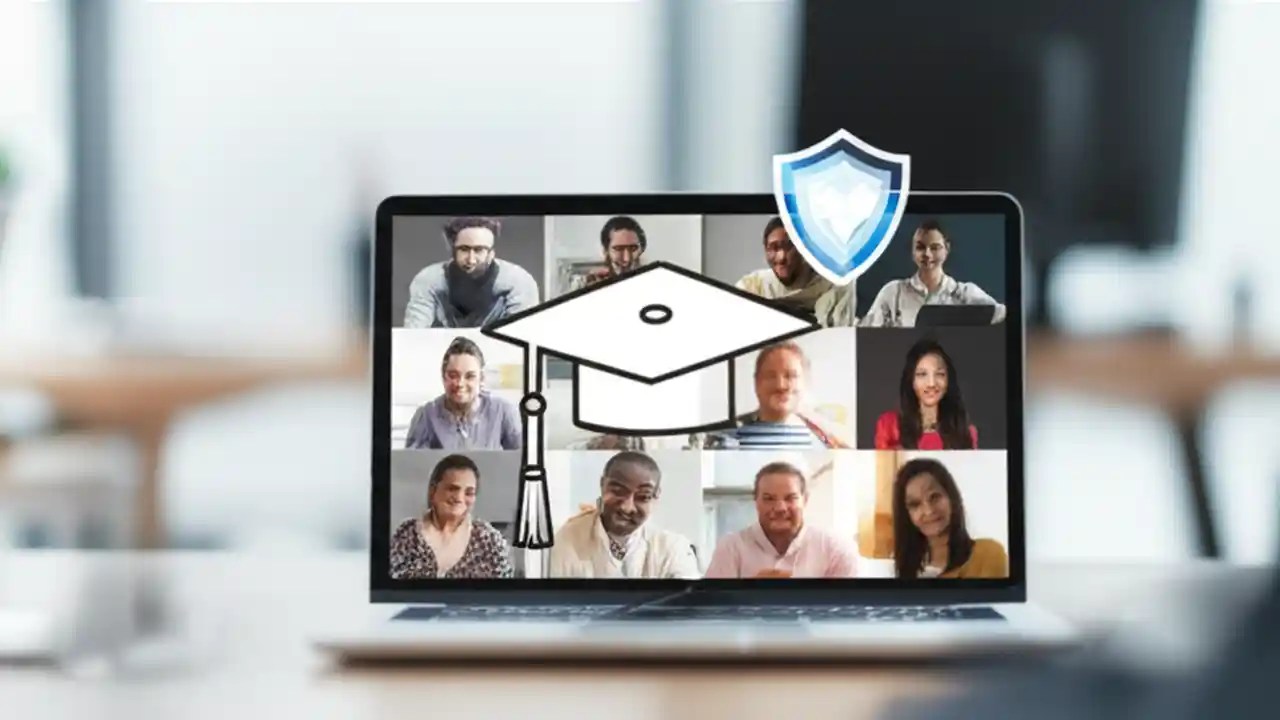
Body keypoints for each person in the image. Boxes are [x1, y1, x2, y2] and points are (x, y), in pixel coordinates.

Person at [548, 451, 700, 579]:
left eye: (643, 496)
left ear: (655, 496)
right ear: (602, 485)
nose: (627, 507)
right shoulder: (565, 539)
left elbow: (686, 607)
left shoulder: (672, 548)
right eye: (618, 492)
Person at [705, 461, 858, 579]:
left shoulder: (835, 548)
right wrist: (749, 591)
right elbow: (711, 608)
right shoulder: (730, 547)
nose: (779, 508)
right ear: (756, 501)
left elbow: (847, 610)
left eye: (790, 498)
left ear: (805, 500)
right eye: (769, 499)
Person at [695, 341, 853, 450]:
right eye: (770, 376)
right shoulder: (724, 438)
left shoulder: (828, 439)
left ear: (805, 382)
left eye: (790, 376)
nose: (781, 386)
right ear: (756, 383)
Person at [860, 218, 1006, 327]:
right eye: (920, 247)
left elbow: (1002, 315)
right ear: (912, 251)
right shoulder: (893, 292)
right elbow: (867, 329)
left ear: (946, 250)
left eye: (935, 247)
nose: (927, 254)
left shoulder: (965, 293)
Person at [389, 454, 514, 579]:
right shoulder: (407, 533)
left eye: (469, 493)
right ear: (433, 491)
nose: (459, 498)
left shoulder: (490, 542)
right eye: (452, 489)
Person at [404, 216, 541, 328]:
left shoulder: (518, 281)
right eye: (464, 249)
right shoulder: (429, 280)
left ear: (492, 253)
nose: (471, 259)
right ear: (453, 250)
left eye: (479, 250)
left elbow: (523, 336)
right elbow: (414, 333)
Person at [892, 457, 1007, 580]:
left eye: (935, 497)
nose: (929, 511)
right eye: (915, 504)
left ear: (951, 497)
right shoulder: (903, 566)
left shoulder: (988, 554)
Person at [404, 336, 522, 450]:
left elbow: (523, 460)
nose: (460, 383)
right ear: (443, 377)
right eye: (453, 375)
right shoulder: (426, 415)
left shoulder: (503, 412)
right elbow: (412, 465)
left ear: (481, 379)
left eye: (469, 376)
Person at [735, 216, 855, 326]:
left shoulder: (832, 285)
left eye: (789, 246)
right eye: (773, 248)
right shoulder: (753, 286)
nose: (781, 257)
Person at [875, 337, 978, 450]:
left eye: (939, 374)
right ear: (911, 380)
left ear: (949, 380)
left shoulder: (965, 432)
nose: (931, 383)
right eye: (922, 374)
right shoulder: (889, 425)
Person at [570, 216, 648, 290]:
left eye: (633, 248)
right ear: (605, 251)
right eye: (618, 249)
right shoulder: (586, 283)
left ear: (641, 250)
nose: (626, 258)